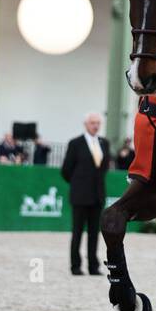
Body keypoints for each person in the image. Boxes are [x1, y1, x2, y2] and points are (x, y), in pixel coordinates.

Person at [61, 113, 110, 274]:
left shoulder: (104, 143)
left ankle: (93, 266)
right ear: (86, 124)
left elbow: (104, 168)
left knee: (94, 233)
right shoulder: (76, 144)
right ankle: (75, 266)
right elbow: (66, 170)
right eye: (92, 123)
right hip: (80, 195)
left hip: (97, 195)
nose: (95, 126)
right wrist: (78, 184)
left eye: (98, 123)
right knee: (77, 232)